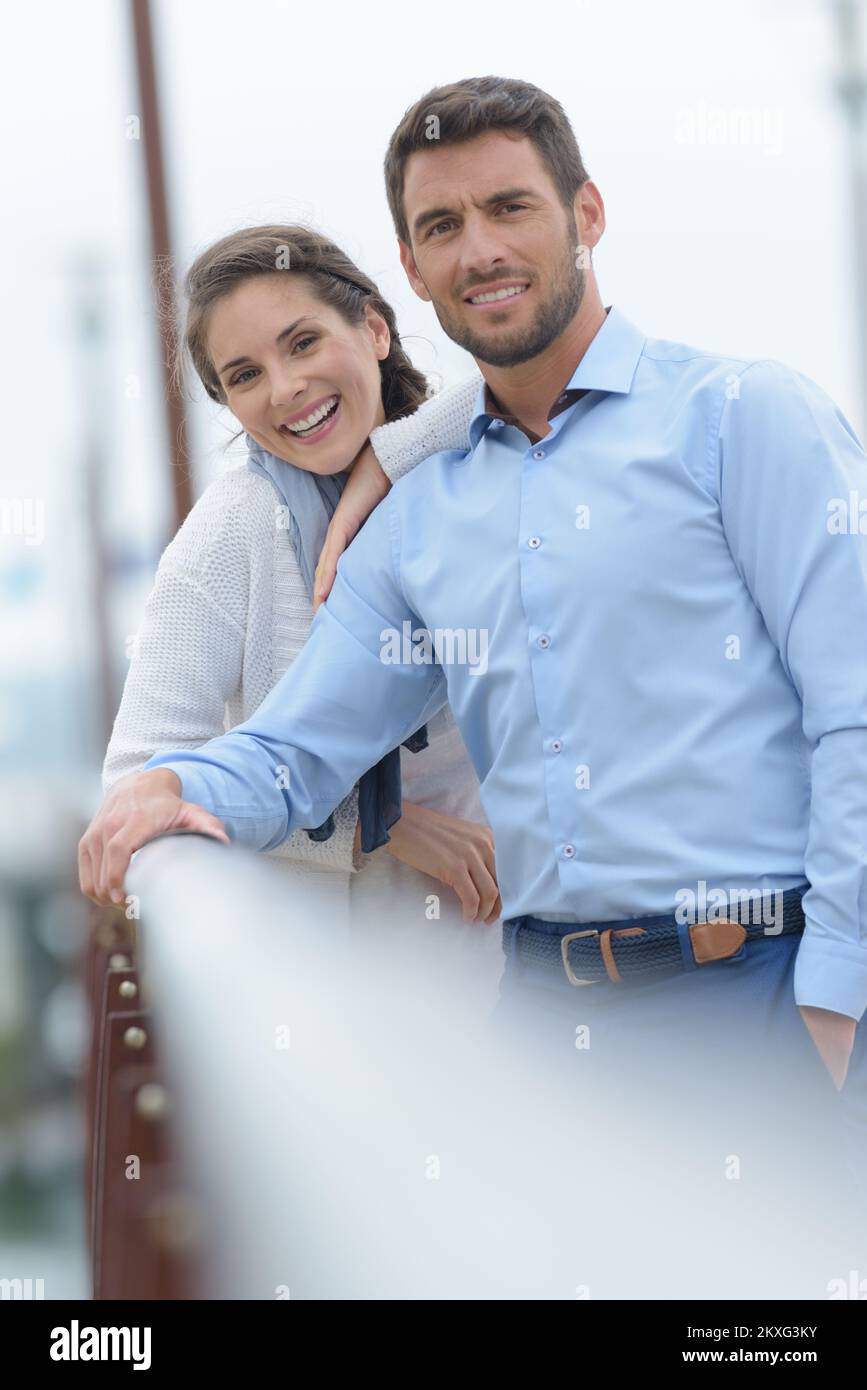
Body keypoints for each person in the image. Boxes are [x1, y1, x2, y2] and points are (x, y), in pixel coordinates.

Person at [81, 76, 867, 1241]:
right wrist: (173, 786)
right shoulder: (413, 515)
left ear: (587, 213)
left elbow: (853, 715)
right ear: (409, 266)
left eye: (510, 207)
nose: (480, 250)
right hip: (544, 1027)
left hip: (762, 995)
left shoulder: (744, 418)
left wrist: (834, 1007)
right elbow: (296, 751)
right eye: (443, 227)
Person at [94, 222, 503, 998]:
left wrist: (391, 457)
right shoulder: (230, 532)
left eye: (303, 343)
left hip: (524, 963)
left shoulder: (471, 471)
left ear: (375, 328)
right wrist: (379, 821)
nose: (283, 388)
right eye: (244, 375)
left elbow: (550, 370)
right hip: (339, 992)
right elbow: (136, 780)